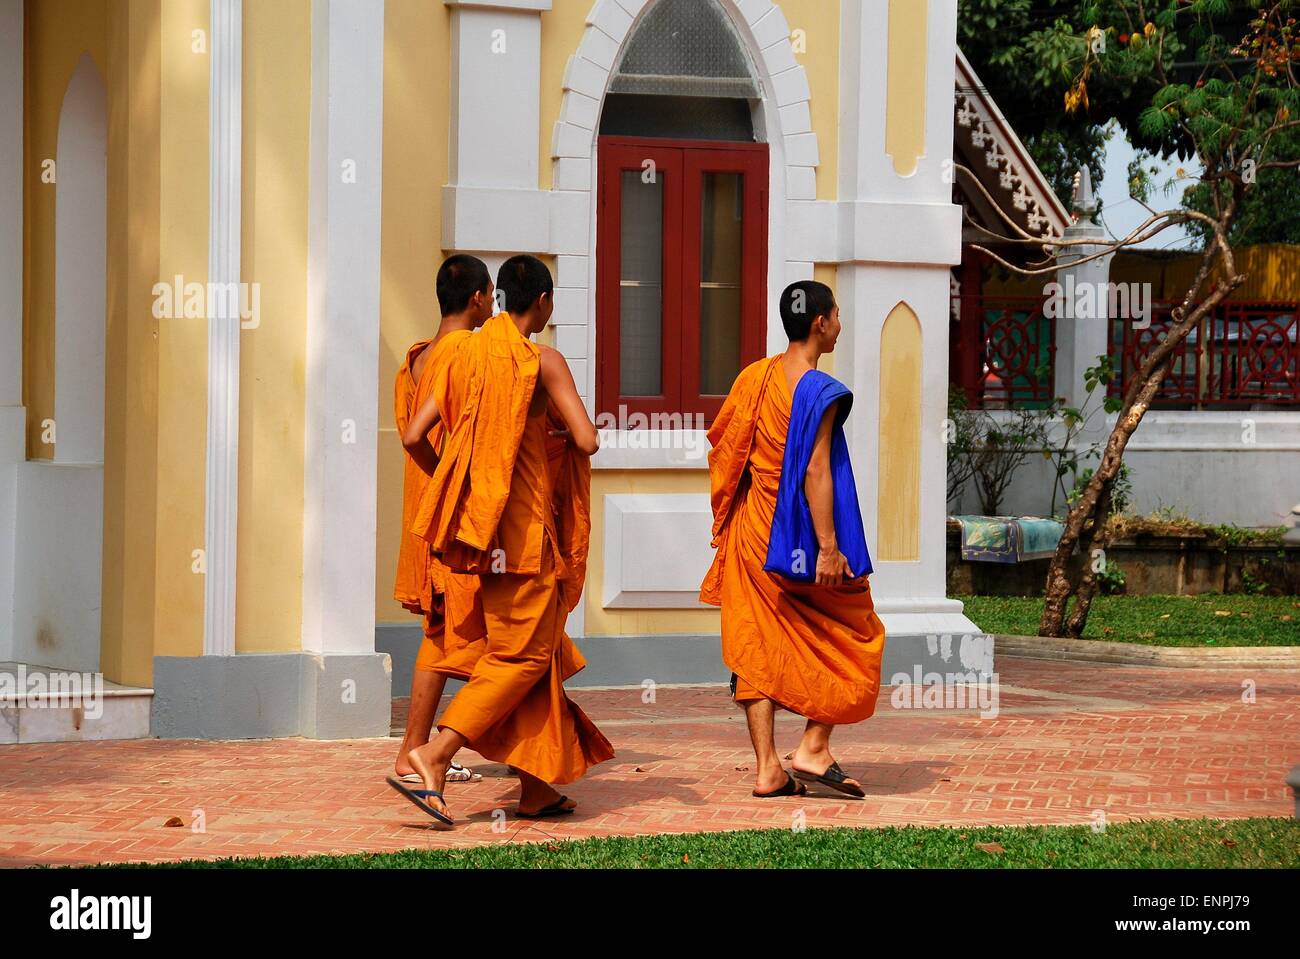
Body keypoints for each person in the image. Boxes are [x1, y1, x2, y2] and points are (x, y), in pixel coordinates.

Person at [388, 255, 614, 827]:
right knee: (525, 656)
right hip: (526, 537)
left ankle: (537, 790)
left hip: (479, 536)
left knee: (532, 660)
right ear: (540, 301)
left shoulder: (461, 359)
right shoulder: (543, 362)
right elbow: (586, 441)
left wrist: (457, 484)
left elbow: (415, 434)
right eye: (551, 301)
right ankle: (434, 755)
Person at [700, 280, 886, 799]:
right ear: (819, 323)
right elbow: (815, 471)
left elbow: (723, 449)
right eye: (836, 315)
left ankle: (768, 769)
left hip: (751, 536)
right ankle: (812, 746)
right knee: (858, 631)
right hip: (800, 541)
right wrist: (828, 546)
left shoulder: (753, 378)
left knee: (754, 649)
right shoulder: (819, 390)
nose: (840, 325)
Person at [390, 254, 494, 786]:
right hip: (455, 520)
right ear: (477, 297)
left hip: (426, 514)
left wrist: (438, 482)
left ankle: (416, 748)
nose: (494, 303)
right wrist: (455, 485)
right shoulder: (467, 352)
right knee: (504, 640)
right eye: (491, 294)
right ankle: (529, 762)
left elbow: (415, 437)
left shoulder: (415, 359)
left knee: (438, 631)